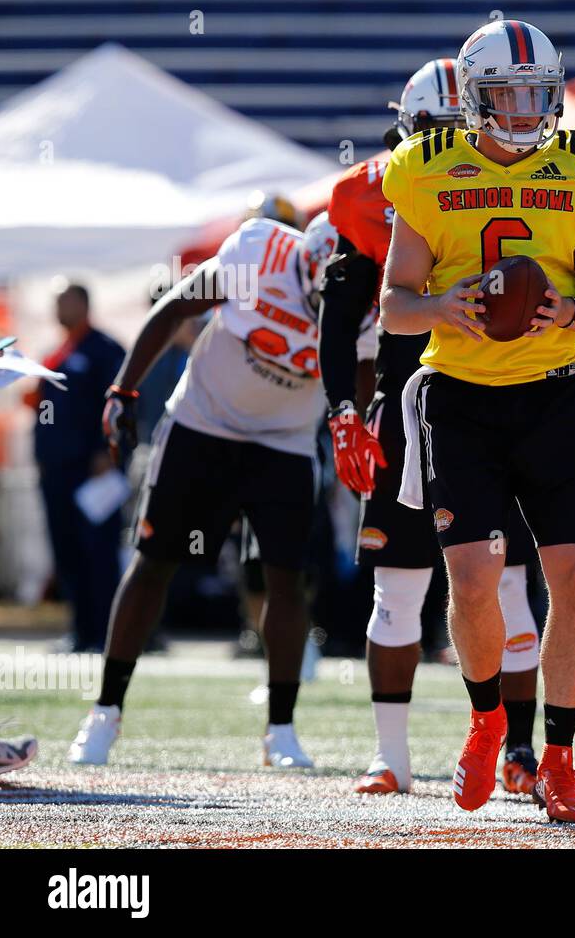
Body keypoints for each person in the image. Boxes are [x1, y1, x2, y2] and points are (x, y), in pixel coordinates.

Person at [380, 19, 575, 824]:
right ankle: (488, 719)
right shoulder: (425, 169)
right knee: (476, 580)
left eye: (537, 95)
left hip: (554, 394)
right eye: (508, 95)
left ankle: (558, 755)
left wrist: (568, 311)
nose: (525, 111)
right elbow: (394, 307)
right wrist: (440, 303)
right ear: (474, 99)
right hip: (461, 399)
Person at [319, 58, 543, 796]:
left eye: (456, 131)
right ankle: (392, 755)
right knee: (397, 591)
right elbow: (342, 310)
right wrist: (344, 409)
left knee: (507, 589)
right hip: (409, 405)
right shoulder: (377, 197)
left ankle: (518, 751)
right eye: (432, 132)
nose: (445, 146)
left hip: (492, 398)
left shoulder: (520, 178)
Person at [67, 212, 338, 770]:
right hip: (203, 426)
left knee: (287, 579)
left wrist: (354, 425)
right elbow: (177, 307)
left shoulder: (370, 300)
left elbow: (360, 377)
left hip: (284, 444)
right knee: (153, 563)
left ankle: (281, 730)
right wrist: (124, 389)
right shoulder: (260, 254)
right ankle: (105, 711)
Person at [30, 281, 126, 653]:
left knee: (97, 552)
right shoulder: (55, 353)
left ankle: (105, 633)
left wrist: (108, 450)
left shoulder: (104, 349)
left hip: (91, 471)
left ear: (83, 304)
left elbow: (120, 401)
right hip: (56, 470)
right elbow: (47, 410)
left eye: (64, 301)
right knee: (66, 550)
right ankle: (81, 629)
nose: (58, 308)